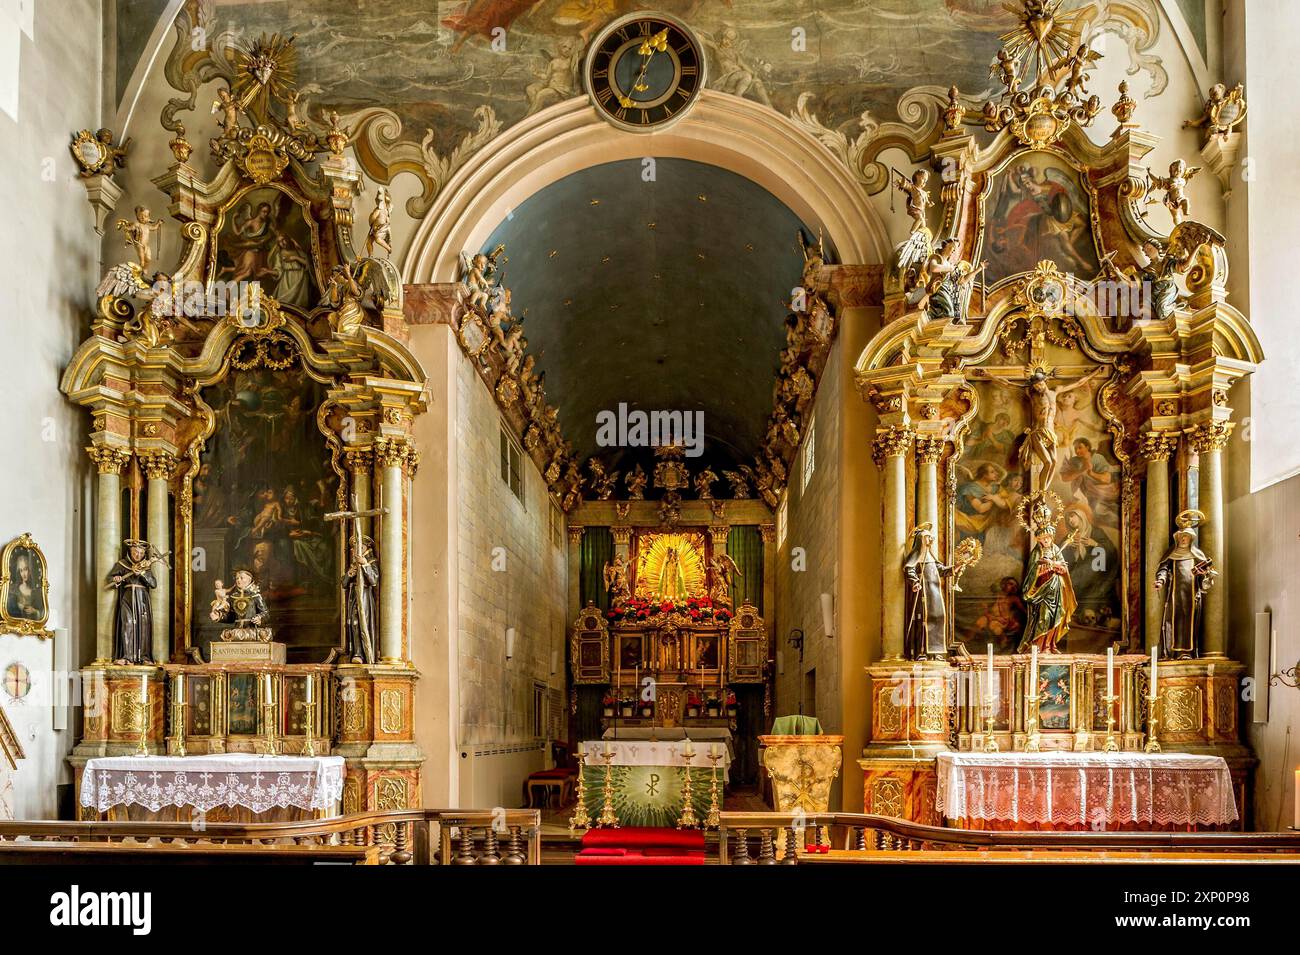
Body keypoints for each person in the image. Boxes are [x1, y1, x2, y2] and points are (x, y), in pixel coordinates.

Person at [1154, 518, 1216, 658]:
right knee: (1172, 622)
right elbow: (1163, 569)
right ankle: (1171, 653)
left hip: (1192, 595)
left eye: (1186, 536)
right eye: (1181, 536)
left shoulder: (1197, 556)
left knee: (1190, 623)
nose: (1183, 539)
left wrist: (1206, 575)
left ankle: (1187, 652)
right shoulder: (1172, 555)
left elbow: (1206, 580)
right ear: (1177, 538)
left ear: (1191, 539)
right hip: (1174, 597)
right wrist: (1160, 580)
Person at [1018, 523, 1077, 653]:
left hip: (1056, 588)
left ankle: (1050, 645)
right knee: (1044, 617)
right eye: (1043, 538)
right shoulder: (1037, 552)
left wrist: (1057, 566)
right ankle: (1039, 646)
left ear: (1052, 537)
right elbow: (1032, 572)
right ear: (1038, 539)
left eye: (1048, 537)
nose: (1046, 540)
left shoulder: (1056, 549)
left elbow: (1063, 568)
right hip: (1042, 590)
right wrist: (1042, 568)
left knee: (1057, 615)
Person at [903, 524, 955, 659]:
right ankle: (922, 652)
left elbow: (942, 570)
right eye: (928, 537)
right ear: (921, 539)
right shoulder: (916, 556)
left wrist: (956, 567)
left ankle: (935, 652)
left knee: (938, 619)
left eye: (931, 537)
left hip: (935, 595)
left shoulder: (931, 557)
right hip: (923, 595)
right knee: (923, 621)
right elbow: (909, 569)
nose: (931, 540)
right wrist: (915, 582)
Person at [108, 540, 156, 664]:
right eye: (135, 552)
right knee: (127, 624)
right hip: (128, 598)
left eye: (141, 553)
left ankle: (144, 657)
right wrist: (116, 578)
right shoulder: (122, 564)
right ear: (130, 552)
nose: (138, 555)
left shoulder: (146, 567)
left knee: (144, 626)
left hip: (142, 600)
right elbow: (109, 579)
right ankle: (126, 656)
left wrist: (143, 573)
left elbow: (153, 584)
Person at [343, 537, 379, 664]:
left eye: (356, 547)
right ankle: (357, 652)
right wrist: (349, 574)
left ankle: (363, 653)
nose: (353, 550)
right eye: (352, 547)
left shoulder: (371, 561)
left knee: (361, 623)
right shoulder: (353, 564)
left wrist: (365, 564)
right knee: (353, 624)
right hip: (354, 597)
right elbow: (344, 584)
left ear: (364, 547)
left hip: (364, 597)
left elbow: (374, 580)